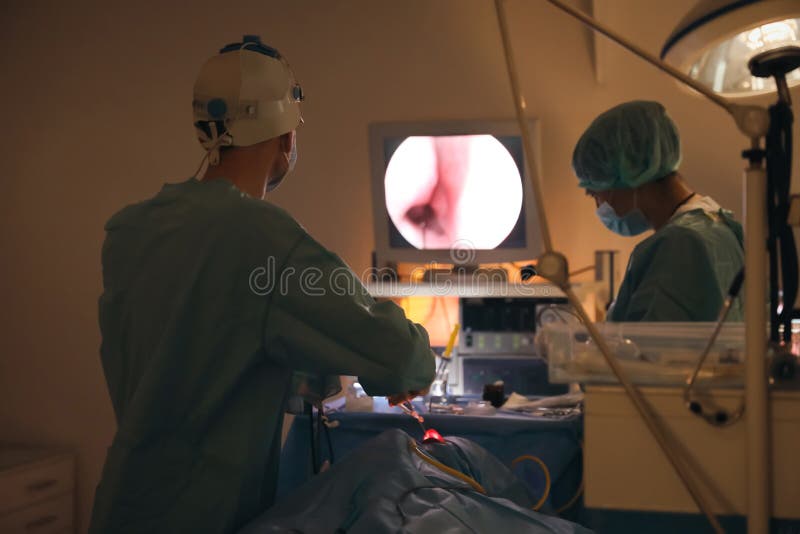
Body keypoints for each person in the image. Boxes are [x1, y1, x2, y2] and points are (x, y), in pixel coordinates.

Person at [89, 35, 434, 534]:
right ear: (287, 138)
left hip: (124, 506)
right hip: (202, 517)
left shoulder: (130, 232)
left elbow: (191, 360)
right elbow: (400, 356)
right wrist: (410, 361)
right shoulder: (263, 239)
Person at [572, 100, 744, 322]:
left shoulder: (680, 244)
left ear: (630, 175)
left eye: (595, 194)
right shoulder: (717, 223)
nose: (599, 206)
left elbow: (645, 342)